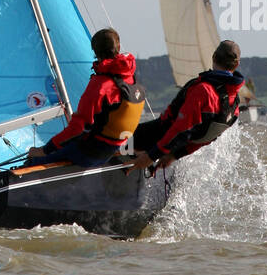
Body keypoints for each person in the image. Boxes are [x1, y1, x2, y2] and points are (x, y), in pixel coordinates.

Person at [24, 28, 145, 168]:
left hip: (93, 154)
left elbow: (77, 127)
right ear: (117, 47)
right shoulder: (130, 78)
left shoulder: (100, 85)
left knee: (34, 162)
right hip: (121, 148)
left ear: (95, 52)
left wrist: (44, 150)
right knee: (74, 142)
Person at [130, 39, 245, 170]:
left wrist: (150, 157)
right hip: (173, 146)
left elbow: (181, 130)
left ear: (213, 56)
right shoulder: (234, 105)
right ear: (236, 65)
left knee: (120, 136)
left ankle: (112, 154)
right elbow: (206, 137)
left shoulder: (203, 90)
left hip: (159, 136)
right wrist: (174, 155)